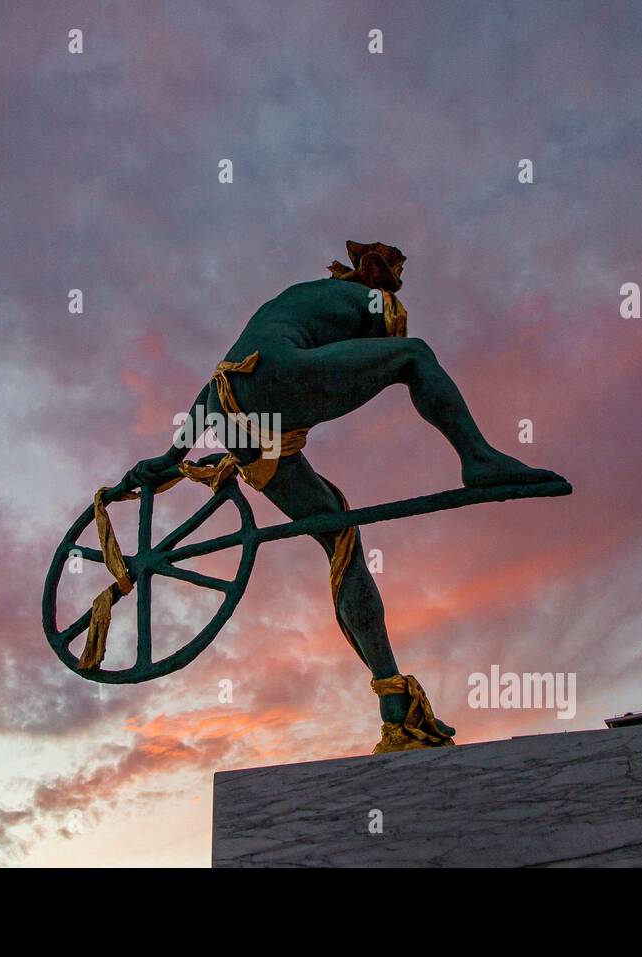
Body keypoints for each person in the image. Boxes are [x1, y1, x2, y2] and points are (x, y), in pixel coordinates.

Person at [124, 241, 565, 752]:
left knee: (340, 537)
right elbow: (384, 359)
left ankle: (392, 700)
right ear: (378, 278)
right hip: (278, 382)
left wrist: (168, 457)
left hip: (233, 418)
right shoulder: (375, 304)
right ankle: (478, 458)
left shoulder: (290, 300)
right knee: (415, 355)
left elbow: (216, 385)